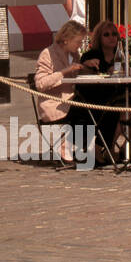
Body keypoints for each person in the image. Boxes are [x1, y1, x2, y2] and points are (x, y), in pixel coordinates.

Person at [35, 20, 92, 163]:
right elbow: (40, 84)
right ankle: (66, 143)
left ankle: (91, 146)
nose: (80, 45)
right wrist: (64, 72)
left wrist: (86, 66)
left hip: (71, 100)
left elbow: (77, 78)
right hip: (54, 103)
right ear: (66, 39)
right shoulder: (48, 54)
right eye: (78, 42)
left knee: (97, 104)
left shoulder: (75, 55)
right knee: (87, 108)